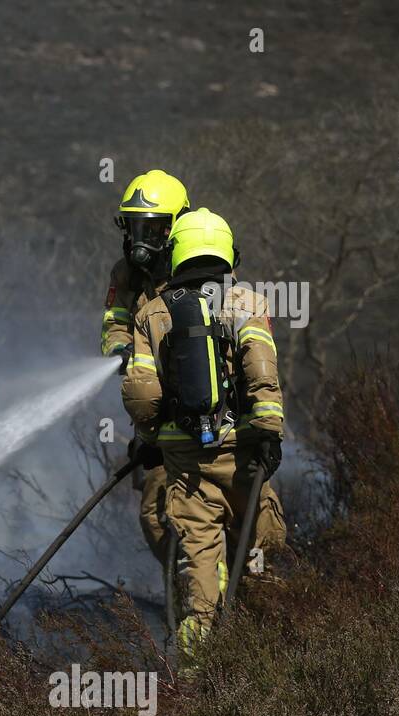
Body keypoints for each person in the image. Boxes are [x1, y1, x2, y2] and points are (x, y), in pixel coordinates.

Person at [120, 208, 286, 665]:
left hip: (187, 467)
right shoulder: (247, 302)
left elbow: (141, 394)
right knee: (260, 554)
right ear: (229, 252)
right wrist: (268, 432)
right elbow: (261, 371)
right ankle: (275, 660)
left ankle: (195, 680)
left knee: (201, 580)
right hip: (245, 457)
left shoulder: (150, 313)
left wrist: (157, 437)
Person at [103, 170, 189, 564]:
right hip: (154, 416)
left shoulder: (196, 266)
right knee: (155, 515)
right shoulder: (125, 274)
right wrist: (120, 348)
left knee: (214, 514)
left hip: (203, 409)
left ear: (173, 227)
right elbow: (114, 321)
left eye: (151, 229)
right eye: (135, 227)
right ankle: (187, 588)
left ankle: (229, 602)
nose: (141, 241)